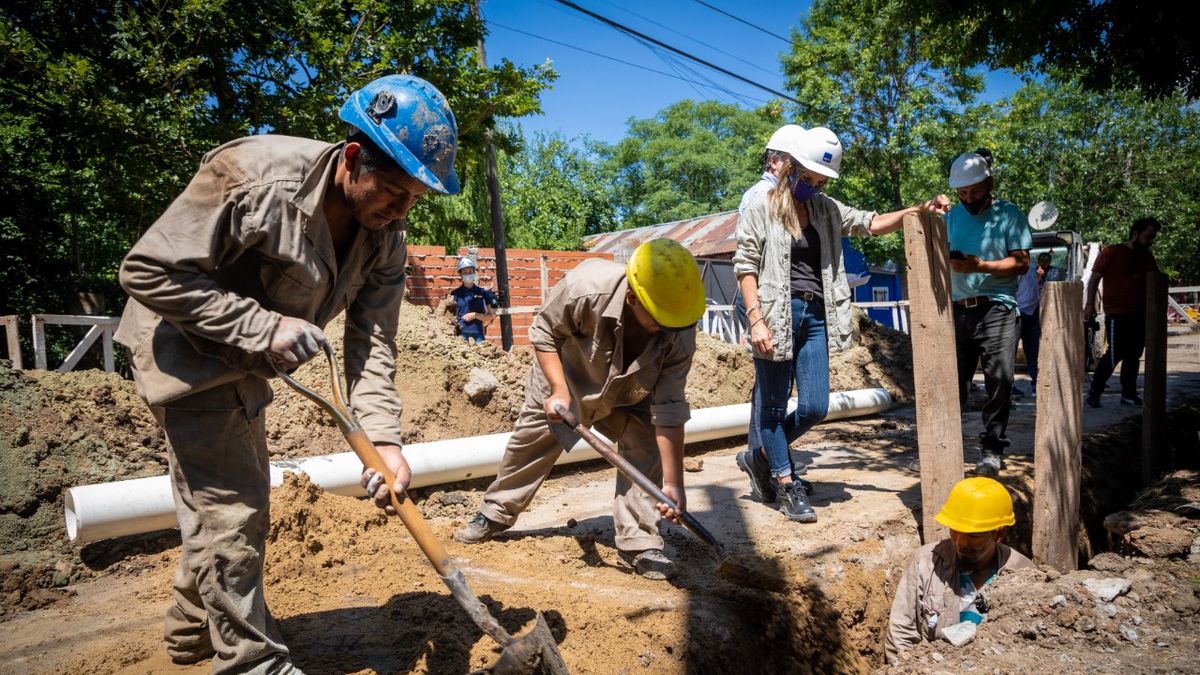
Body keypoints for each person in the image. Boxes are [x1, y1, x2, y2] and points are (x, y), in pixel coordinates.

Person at [115, 74, 460, 672]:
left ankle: (188, 635)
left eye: (415, 200)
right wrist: (261, 327)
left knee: (224, 503)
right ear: (354, 157)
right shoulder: (253, 177)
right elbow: (146, 271)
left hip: (246, 363)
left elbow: (373, 340)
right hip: (185, 350)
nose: (401, 212)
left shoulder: (386, 236)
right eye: (394, 192)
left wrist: (383, 439)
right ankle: (254, 663)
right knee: (231, 510)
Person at [452, 239, 708, 581]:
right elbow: (543, 333)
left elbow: (670, 408)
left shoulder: (678, 330)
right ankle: (494, 513)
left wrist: (674, 484)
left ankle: (640, 540)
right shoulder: (584, 289)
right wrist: (558, 389)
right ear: (633, 299)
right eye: (660, 320)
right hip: (568, 377)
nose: (669, 330)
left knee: (645, 443)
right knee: (532, 441)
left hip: (630, 393)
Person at [733, 126, 949, 523]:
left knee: (815, 406)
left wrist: (917, 210)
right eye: (808, 178)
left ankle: (759, 457)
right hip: (775, 316)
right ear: (790, 167)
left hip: (816, 316)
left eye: (819, 181)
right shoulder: (761, 205)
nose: (813, 186)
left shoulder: (825, 209)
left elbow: (871, 222)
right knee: (774, 406)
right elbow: (745, 264)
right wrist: (756, 318)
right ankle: (786, 483)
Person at [946, 151, 1032, 477]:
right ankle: (948, 448)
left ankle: (992, 449)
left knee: (999, 378)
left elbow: (1021, 262)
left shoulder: (1008, 214)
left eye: (975, 191)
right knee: (953, 384)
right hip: (956, 310)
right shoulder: (951, 217)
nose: (969, 199)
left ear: (989, 182)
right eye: (963, 193)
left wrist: (980, 266)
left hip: (997, 306)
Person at [884, 477, 1035, 662]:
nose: (960, 542)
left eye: (973, 535)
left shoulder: (1023, 573)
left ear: (999, 533)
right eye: (955, 530)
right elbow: (901, 634)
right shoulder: (925, 563)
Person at [1084, 217, 1162, 408]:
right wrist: (1089, 304)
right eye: (1147, 236)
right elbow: (1094, 279)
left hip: (1140, 314)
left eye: (1153, 237)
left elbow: (1156, 282)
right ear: (1135, 233)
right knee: (1115, 353)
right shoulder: (1112, 252)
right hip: (1117, 313)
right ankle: (1095, 391)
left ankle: (1128, 393)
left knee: (1133, 355)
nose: (1150, 240)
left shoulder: (1147, 257)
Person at [1014, 252, 1066, 396]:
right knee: (1010, 351)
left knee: (1033, 351)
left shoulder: (1035, 270)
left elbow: (1038, 288)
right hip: (1018, 313)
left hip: (1033, 314)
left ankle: (1036, 382)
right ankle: (1008, 386)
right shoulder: (1015, 270)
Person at [449, 256, 498, 343]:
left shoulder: (482, 293)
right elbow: (449, 317)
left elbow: (490, 316)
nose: (468, 274)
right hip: (460, 335)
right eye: (465, 272)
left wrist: (475, 315)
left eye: (470, 271)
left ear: (474, 272)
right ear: (460, 274)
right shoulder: (455, 294)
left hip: (478, 335)